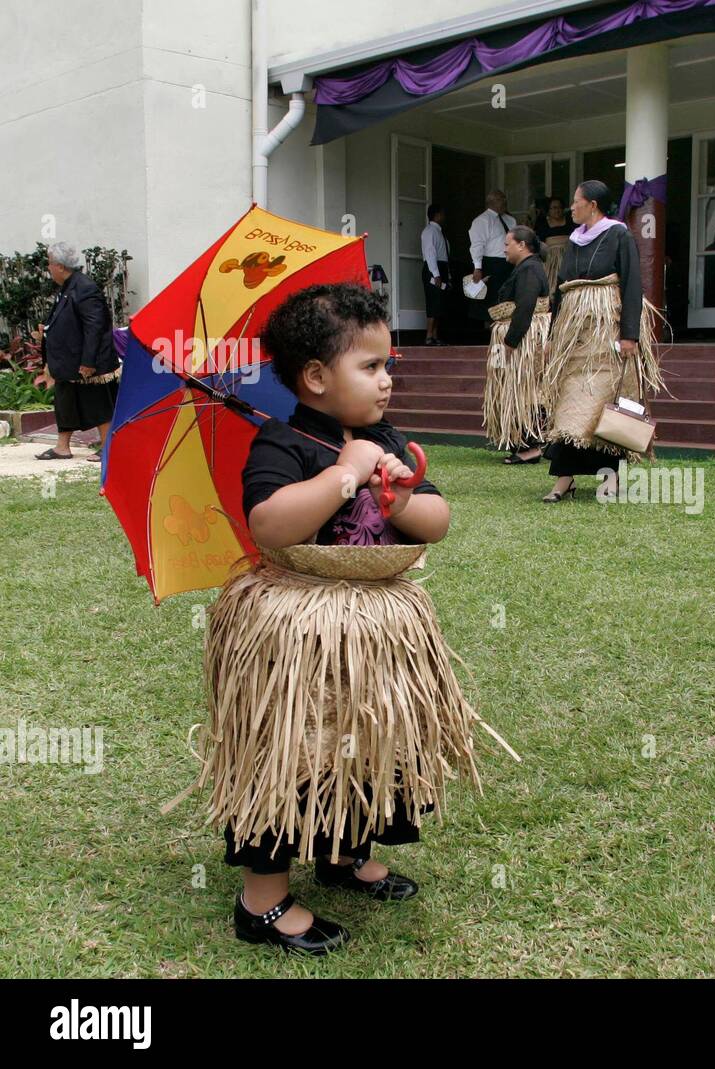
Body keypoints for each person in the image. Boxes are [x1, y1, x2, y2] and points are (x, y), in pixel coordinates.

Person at [184, 283, 492, 956]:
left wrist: (402, 494)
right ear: (316, 376)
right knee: (296, 750)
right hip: (298, 632)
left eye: (389, 366)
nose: (387, 380)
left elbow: (436, 522)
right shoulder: (281, 441)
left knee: (366, 743)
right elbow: (268, 524)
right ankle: (261, 900)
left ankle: (345, 852)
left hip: (371, 635)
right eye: (371, 366)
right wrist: (343, 476)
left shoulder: (386, 439)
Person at [540, 180, 663, 502]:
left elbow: (633, 284)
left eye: (576, 201)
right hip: (574, 335)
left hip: (605, 330)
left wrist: (629, 335)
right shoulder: (574, 240)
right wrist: (554, 335)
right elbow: (560, 292)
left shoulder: (618, 234)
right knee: (570, 404)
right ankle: (564, 478)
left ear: (592, 204)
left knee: (604, 404)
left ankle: (611, 477)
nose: (571, 207)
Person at [31, 242, 120, 463]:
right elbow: (68, 319)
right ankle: (62, 447)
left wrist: (88, 362)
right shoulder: (68, 287)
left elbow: (95, 327)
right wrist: (48, 328)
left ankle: (107, 446)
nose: (48, 268)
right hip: (68, 361)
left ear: (60, 266)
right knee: (65, 401)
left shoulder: (84, 288)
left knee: (98, 402)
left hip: (89, 361)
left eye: (50, 263)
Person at [484, 226, 551, 465]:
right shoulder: (526, 268)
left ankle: (532, 445)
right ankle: (522, 441)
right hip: (517, 336)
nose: (504, 248)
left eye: (507, 243)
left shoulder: (530, 268)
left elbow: (526, 305)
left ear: (522, 245)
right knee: (516, 387)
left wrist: (511, 340)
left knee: (527, 388)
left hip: (523, 339)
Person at [468, 190, 517, 327]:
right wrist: (477, 267)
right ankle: (491, 334)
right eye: (502, 199)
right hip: (492, 263)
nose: (505, 202)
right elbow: (477, 245)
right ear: (492, 201)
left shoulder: (510, 219)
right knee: (492, 301)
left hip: (509, 263)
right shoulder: (481, 221)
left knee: (508, 299)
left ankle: (505, 329)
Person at [420, 203, 450, 345]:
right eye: (442, 214)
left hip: (442, 268)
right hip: (433, 269)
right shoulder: (429, 231)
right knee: (433, 302)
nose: (444, 217)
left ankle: (435, 335)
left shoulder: (439, 232)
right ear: (437, 215)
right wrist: (436, 274)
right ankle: (429, 336)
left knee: (440, 304)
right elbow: (430, 253)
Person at [535, 195, 576, 295]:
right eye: (554, 208)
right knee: (551, 287)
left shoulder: (571, 222)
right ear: (548, 210)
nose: (557, 210)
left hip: (567, 257)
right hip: (550, 260)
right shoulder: (543, 223)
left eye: (559, 207)